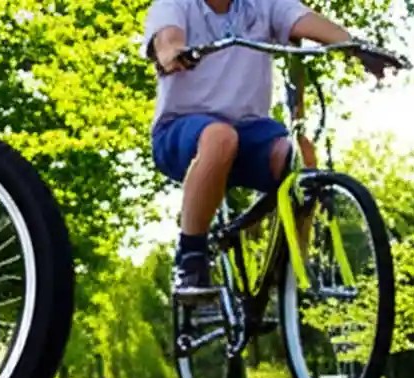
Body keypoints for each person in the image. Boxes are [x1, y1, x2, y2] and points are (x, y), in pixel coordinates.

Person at [143, 0, 391, 289]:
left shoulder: (261, 4)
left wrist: (356, 47)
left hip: (249, 130)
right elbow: (167, 39)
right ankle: (191, 256)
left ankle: (291, 269)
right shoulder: (173, 5)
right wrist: (173, 52)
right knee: (221, 138)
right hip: (180, 130)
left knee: (299, 155)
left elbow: (305, 20)